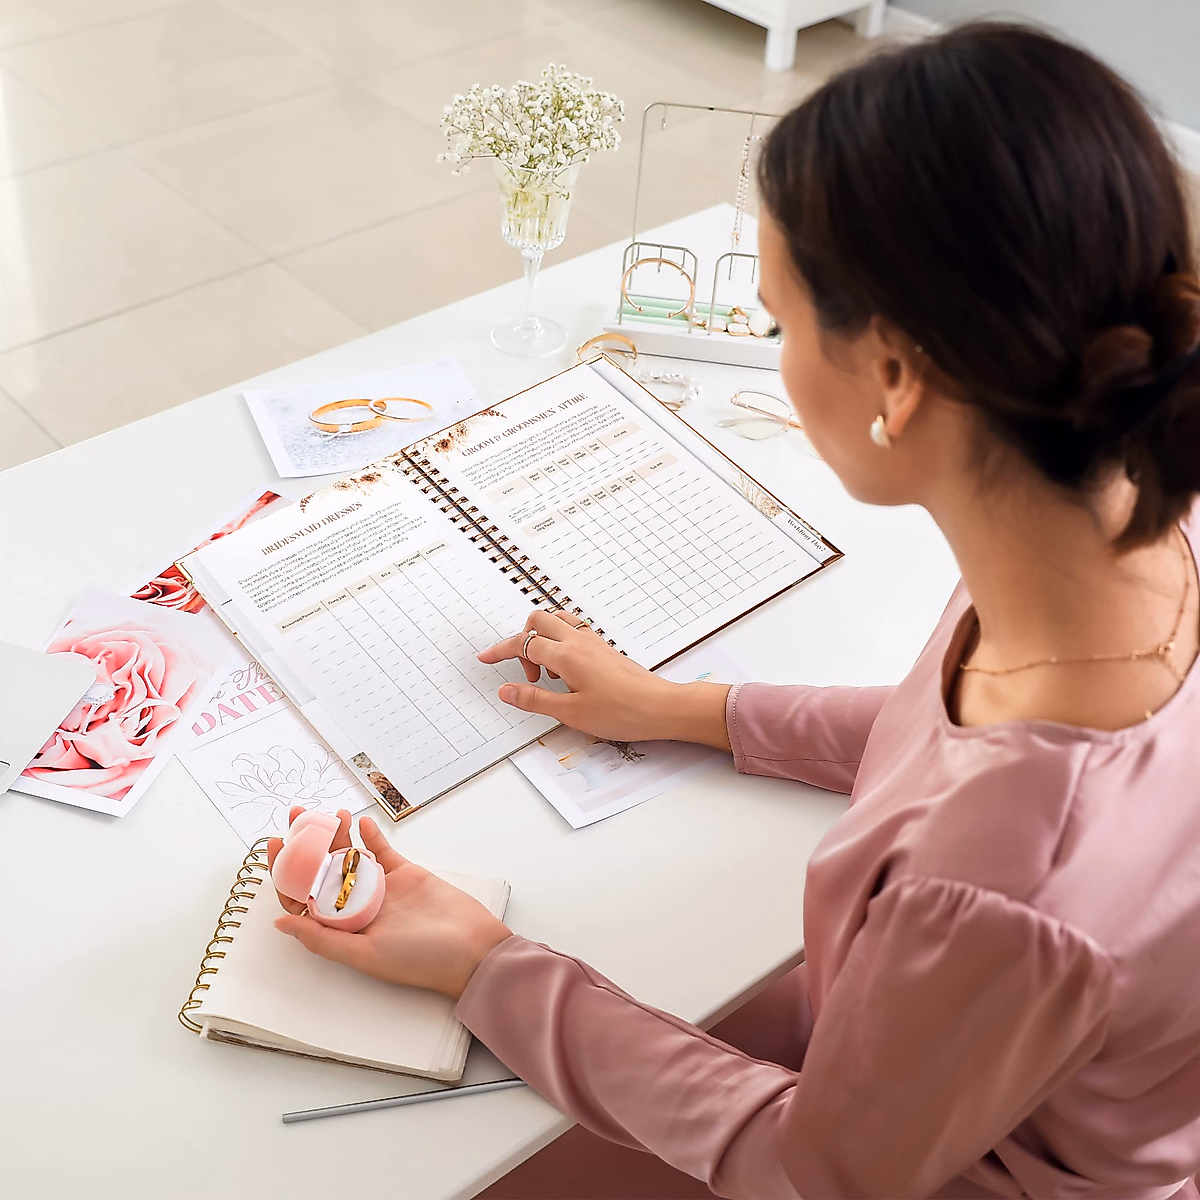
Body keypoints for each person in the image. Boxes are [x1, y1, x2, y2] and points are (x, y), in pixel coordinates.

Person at [266, 22, 1200, 1199]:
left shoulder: (997, 887)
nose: (771, 354)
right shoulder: (1119, 519)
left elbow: (816, 1171)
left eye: (775, 321)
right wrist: (692, 709)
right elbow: (957, 736)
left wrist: (485, 967)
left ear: (898, 379)